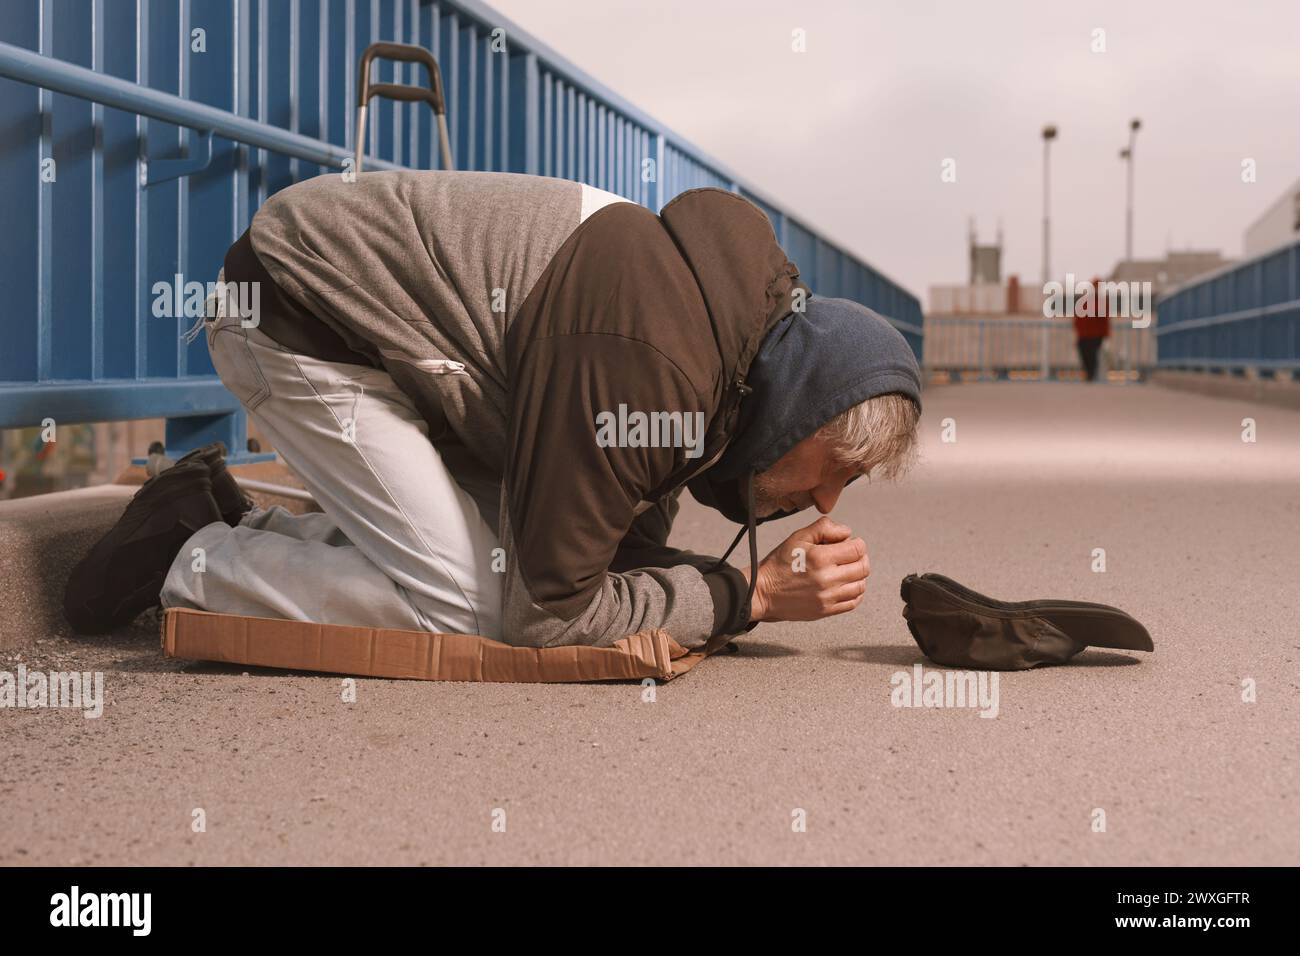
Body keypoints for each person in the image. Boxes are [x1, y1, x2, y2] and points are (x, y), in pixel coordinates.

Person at [64, 170, 922, 651]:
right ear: (800, 414)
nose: (825, 505)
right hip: (298, 318)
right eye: (837, 471)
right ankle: (192, 556)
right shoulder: (652, 361)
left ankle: (217, 511)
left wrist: (703, 592)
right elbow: (550, 615)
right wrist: (751, 597)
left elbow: (613, 561)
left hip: (390, 354)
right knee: (471, 609)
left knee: (497, 563)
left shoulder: (714, 353)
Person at [1074, 276, 1111, 381]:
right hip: (1084, 334)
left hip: (1096, 334)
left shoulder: (1102, 301)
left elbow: (1104, 319)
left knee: (1092, 355)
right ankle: (1089, 374)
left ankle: (1091, 375)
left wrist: (1106, 334)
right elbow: (1078, 316)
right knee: (1084, 353)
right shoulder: (1085, 300)